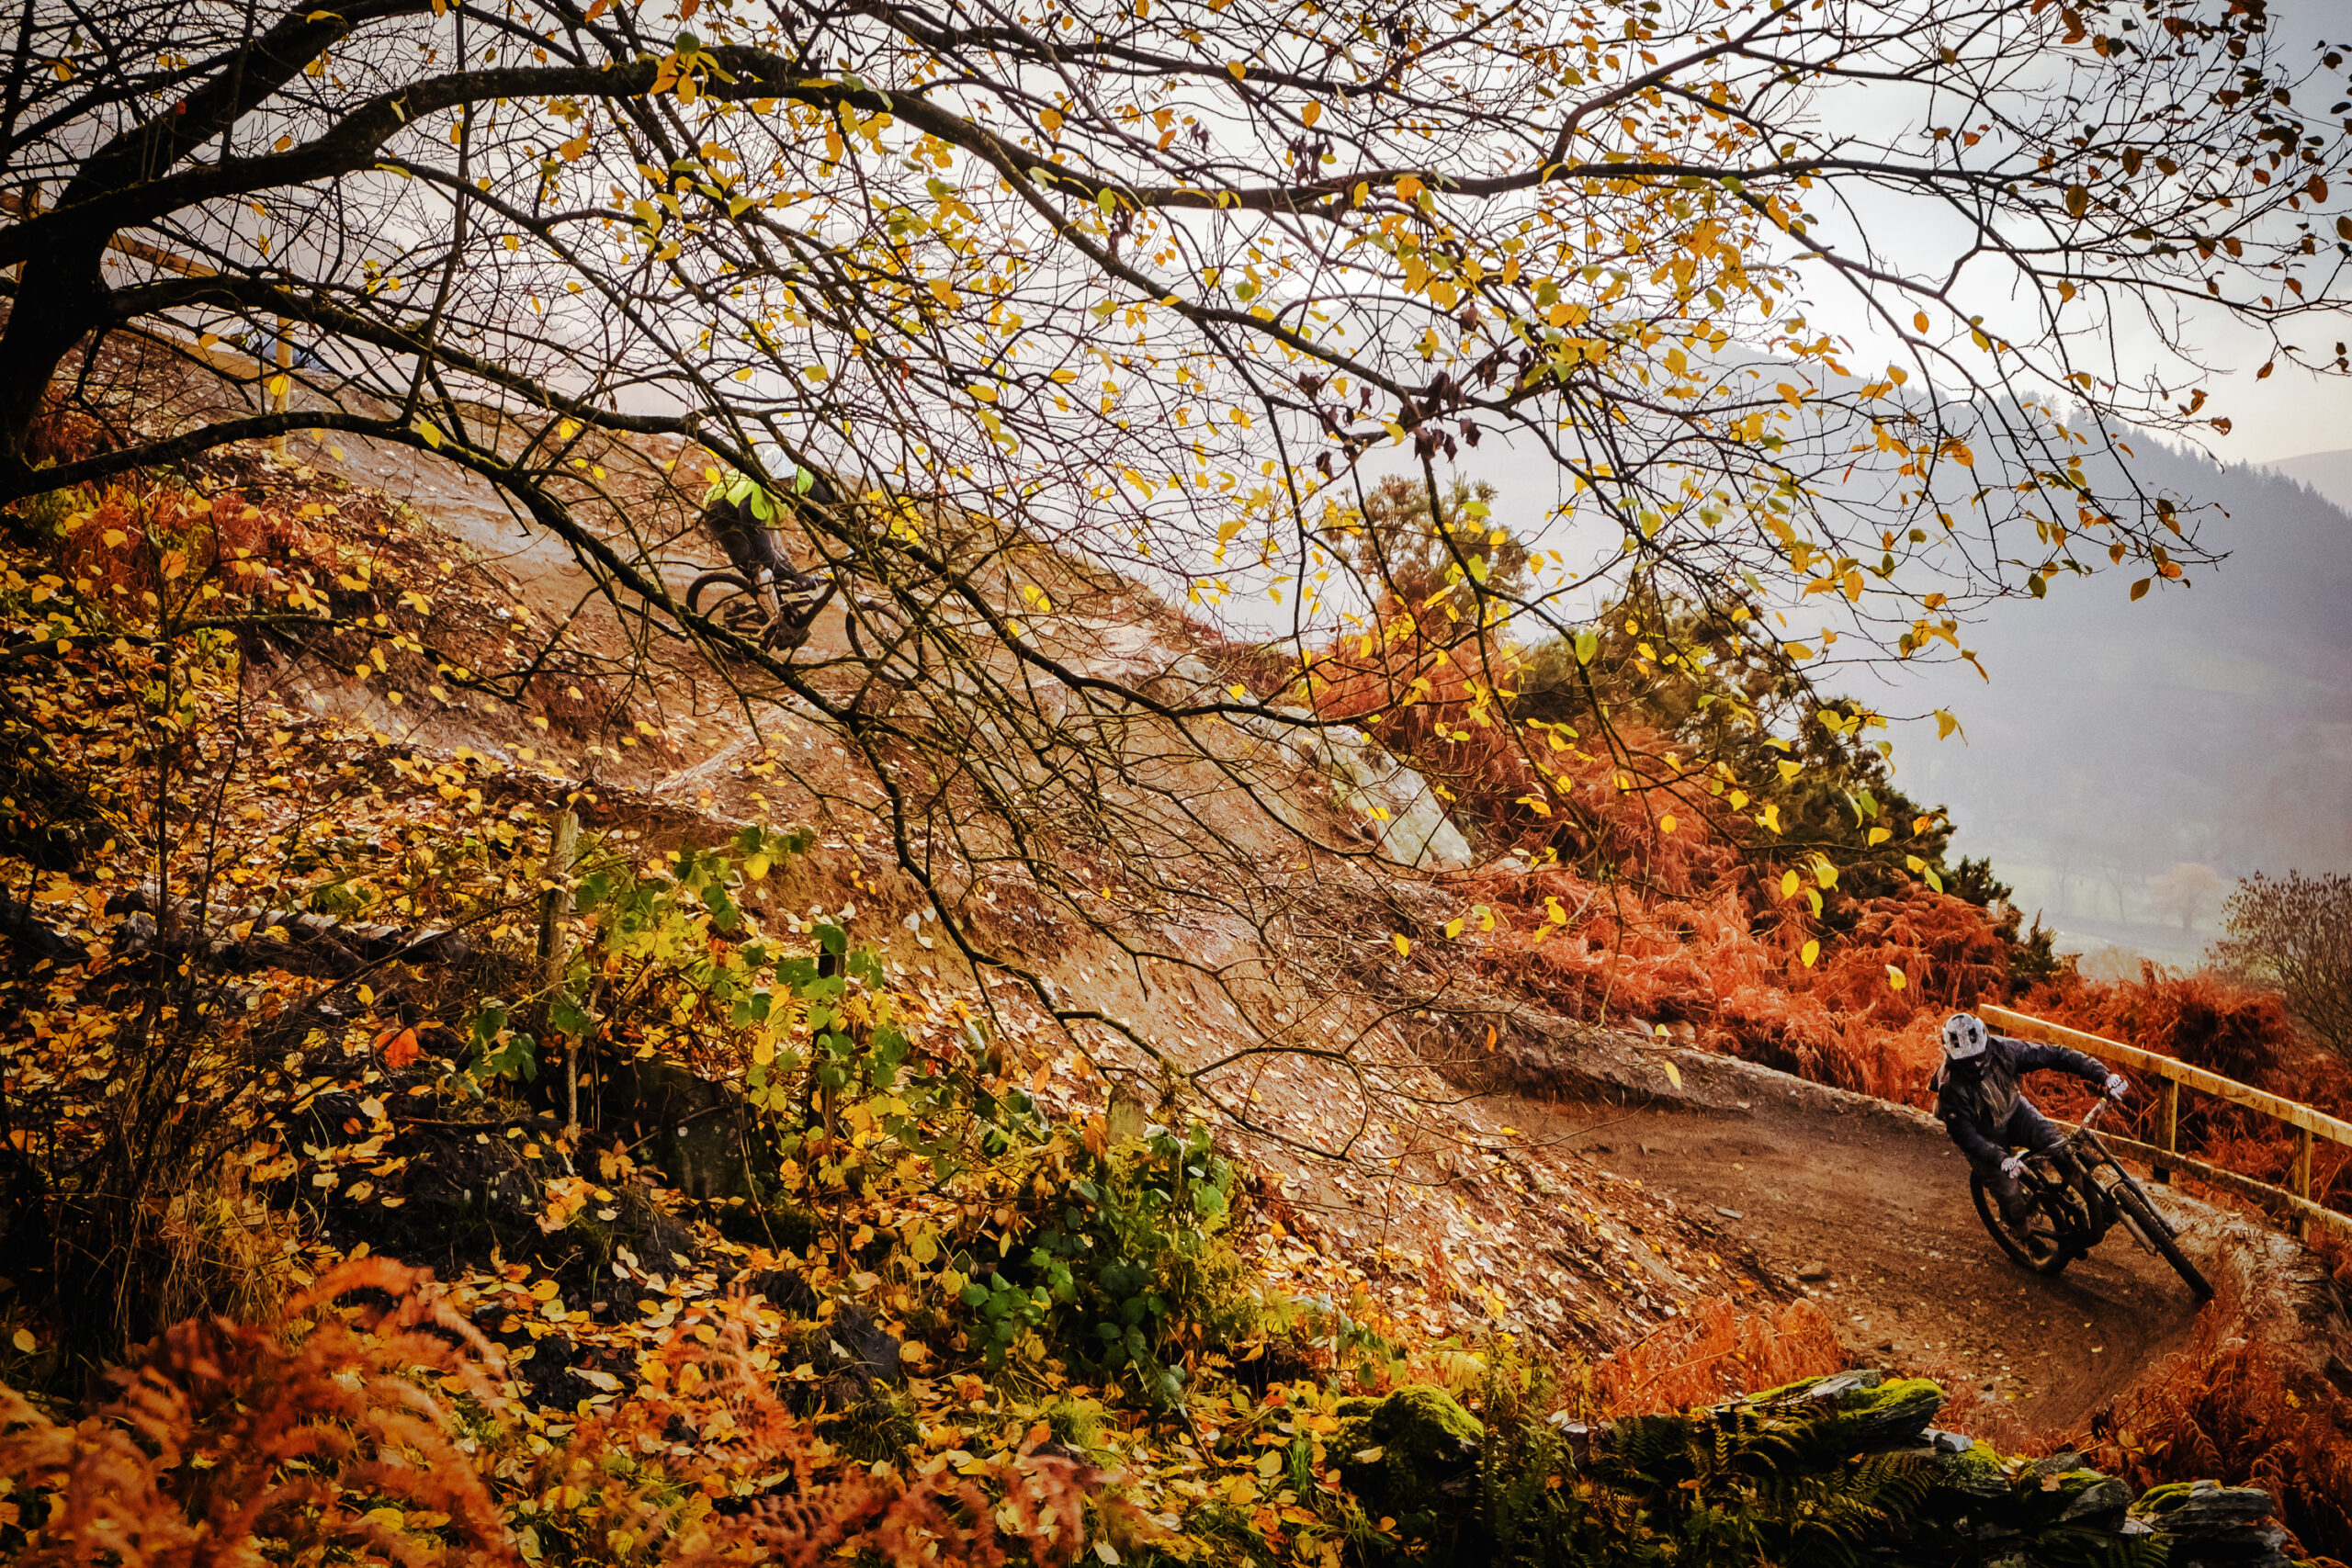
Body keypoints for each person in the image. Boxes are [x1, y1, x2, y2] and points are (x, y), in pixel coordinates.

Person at [1934, 1011, 2128, 1247]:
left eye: (1979, 1057)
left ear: (1986, 1042)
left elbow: (2056, 1055)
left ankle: (2096, 1205)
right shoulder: (1949, 1087)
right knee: (2008, 1191)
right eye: (1967, 1061)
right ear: (1951, 1054)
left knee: (2061, 1148)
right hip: (1982, 1134)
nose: (1975, 1064)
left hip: (2015, 1111)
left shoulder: (2004, 1050)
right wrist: (2000, 1158)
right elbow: (1966, 1136)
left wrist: (2104, 1076)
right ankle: (2025, 1236)